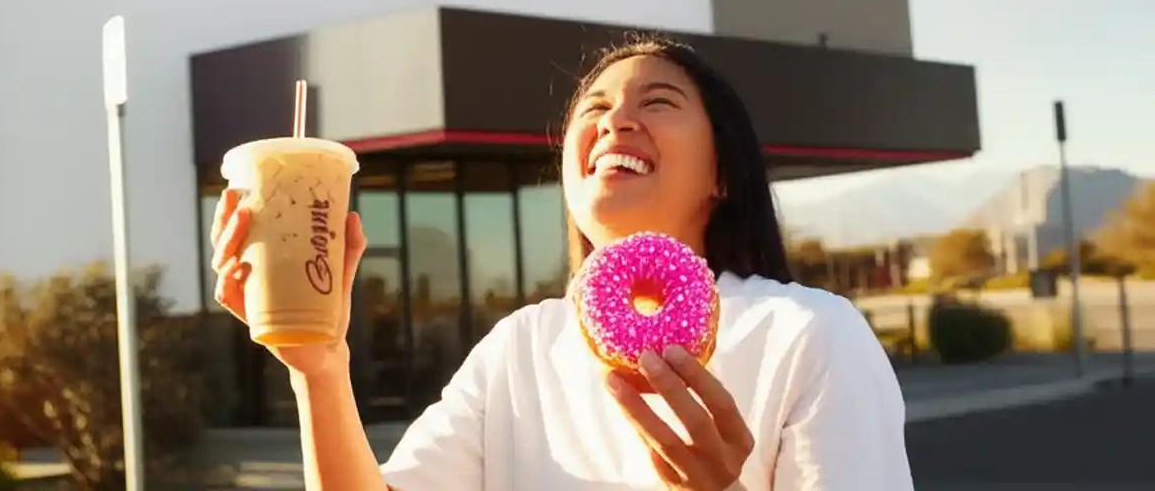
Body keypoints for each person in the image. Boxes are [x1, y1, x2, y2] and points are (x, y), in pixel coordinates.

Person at [210, 37, 914, 490]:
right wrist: (320, 371)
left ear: (723, 172)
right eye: (595, 109)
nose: (613, 122)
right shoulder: (522, 346)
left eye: (657, 101)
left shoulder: (809, 333)